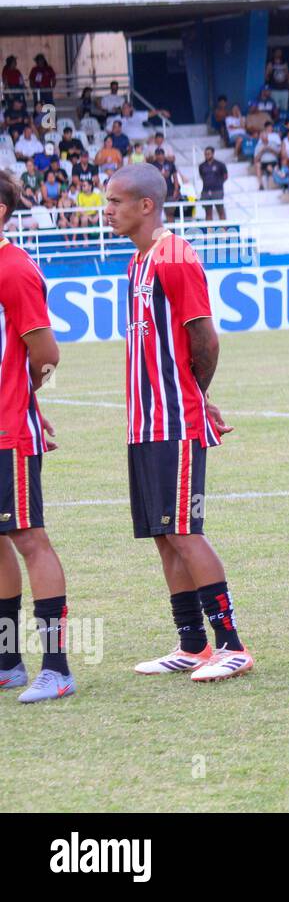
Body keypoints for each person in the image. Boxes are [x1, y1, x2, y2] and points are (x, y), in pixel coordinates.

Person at [103, 164, 253, 682]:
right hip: (142, 423)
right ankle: (192, 644)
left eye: (116, 202)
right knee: (165, 536)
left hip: (175, 421)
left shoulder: (176, 256)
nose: (107, 211)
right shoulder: (135, 264)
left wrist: (198, 395)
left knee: (186, 531)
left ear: (147, 205)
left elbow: (204, 338)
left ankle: (231, 644)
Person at [0, 172, 75, 703]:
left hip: (7, 430)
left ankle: (58, 668)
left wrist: (24, 401)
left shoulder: (15, 269)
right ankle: (8, 663)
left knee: (30, 538)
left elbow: (45, 353)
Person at [198, 146, 227, 221]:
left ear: (213, 154)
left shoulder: (220, 164)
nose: (207, 155)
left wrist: (218, 183)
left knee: (220, 211)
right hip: (206, 191)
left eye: (208, 154)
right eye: (205, 154)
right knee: (208, 213)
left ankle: (224, 231)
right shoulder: (201, 166)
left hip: (217, 191)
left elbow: (225, 176)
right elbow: (201, 176)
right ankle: (209, 232)